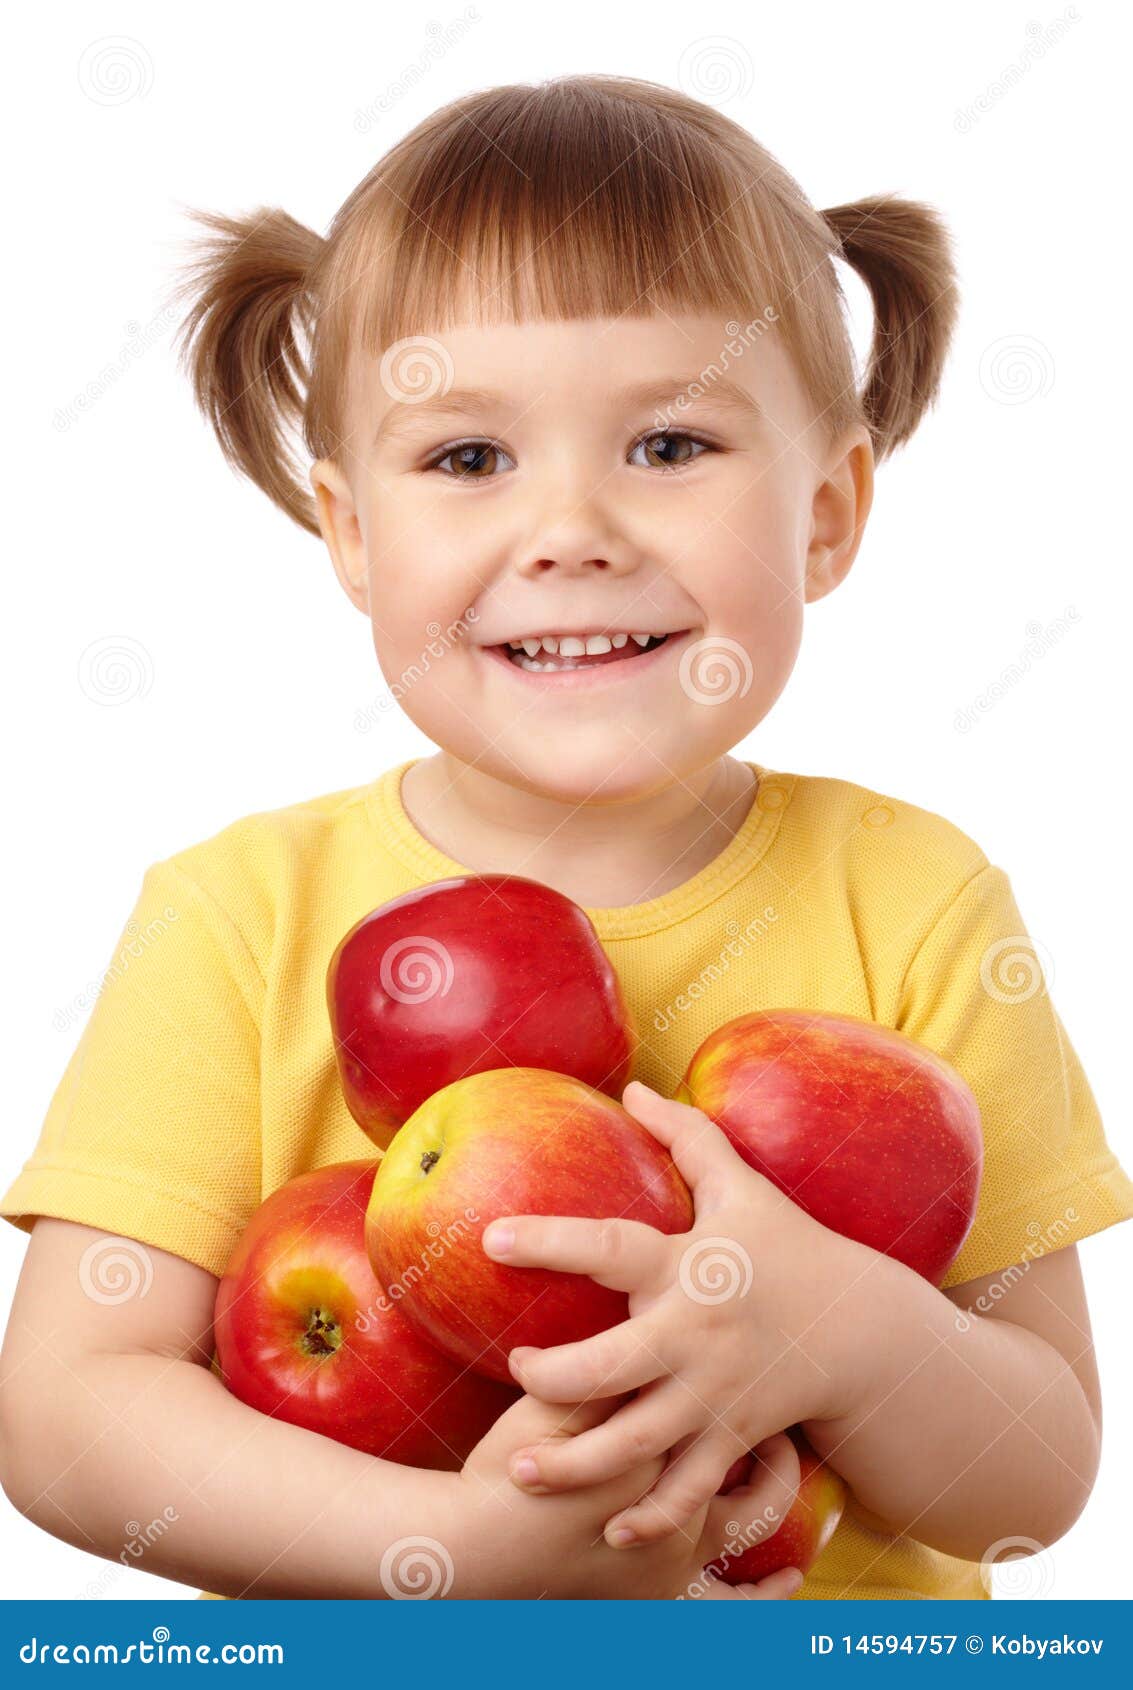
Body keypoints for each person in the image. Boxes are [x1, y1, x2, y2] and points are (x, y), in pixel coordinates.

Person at [1, 74, 1129, 1602]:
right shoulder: (238, 916)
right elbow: (68, 1419)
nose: (572, 527)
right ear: (348, 530)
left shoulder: (913, 900)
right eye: (468, 460)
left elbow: (1031, 1476)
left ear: (826, 512)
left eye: (668, 444)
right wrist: (446, 1556)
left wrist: (837, 1331)